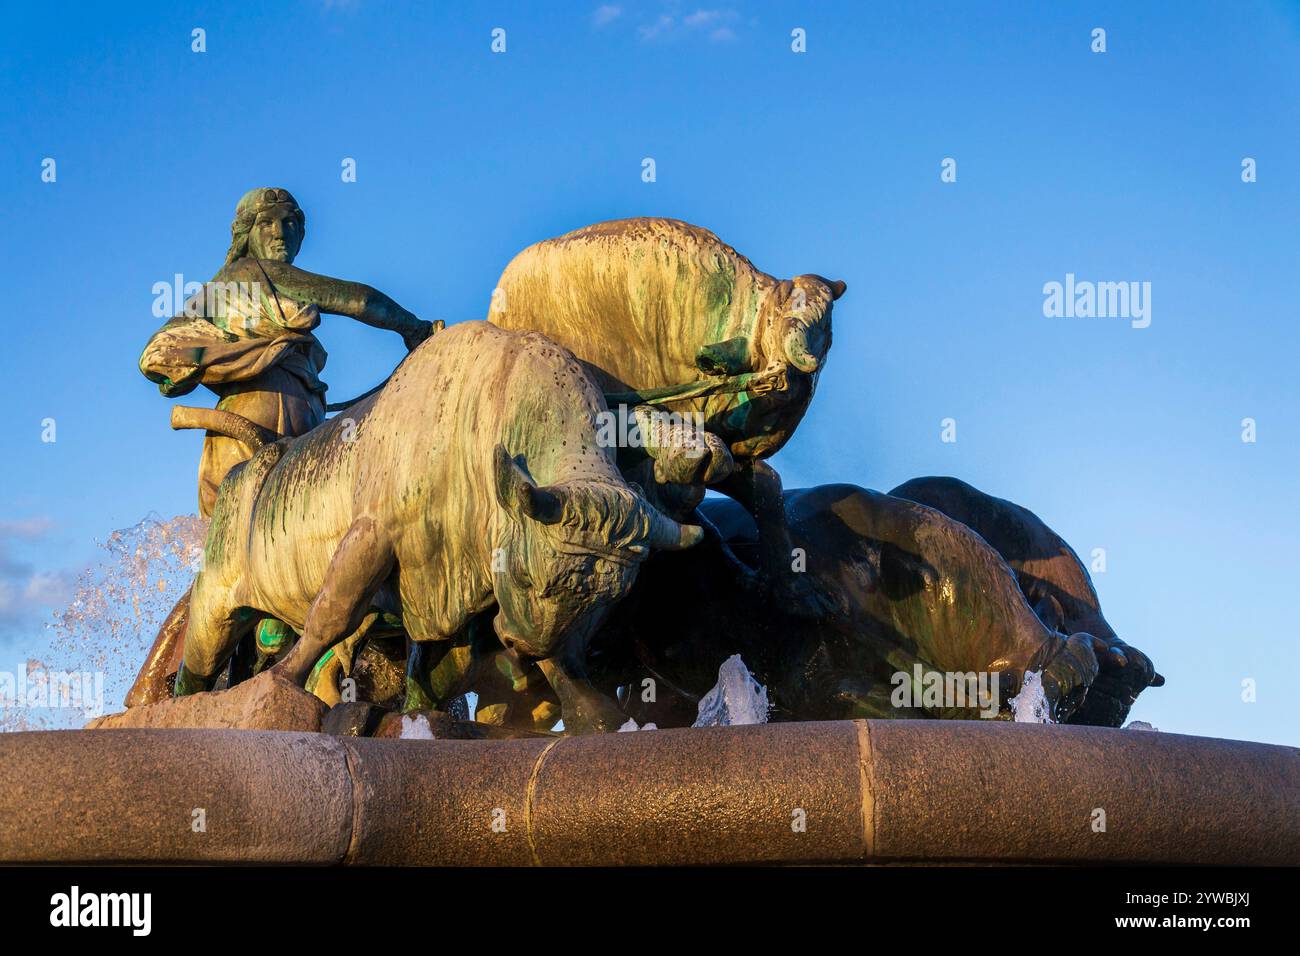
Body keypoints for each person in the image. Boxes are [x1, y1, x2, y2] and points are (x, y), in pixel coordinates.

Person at [126, 187, 434, 703]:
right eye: (269, 223)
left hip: (301, 424)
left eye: (291, 226)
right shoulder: (247, 279)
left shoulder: (256, 287)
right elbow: (357, 298)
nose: (280, 235)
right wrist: (414, 329)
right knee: (245, 562)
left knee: (291, 554)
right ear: (247, 232)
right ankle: (202, 681)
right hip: (253, 422)